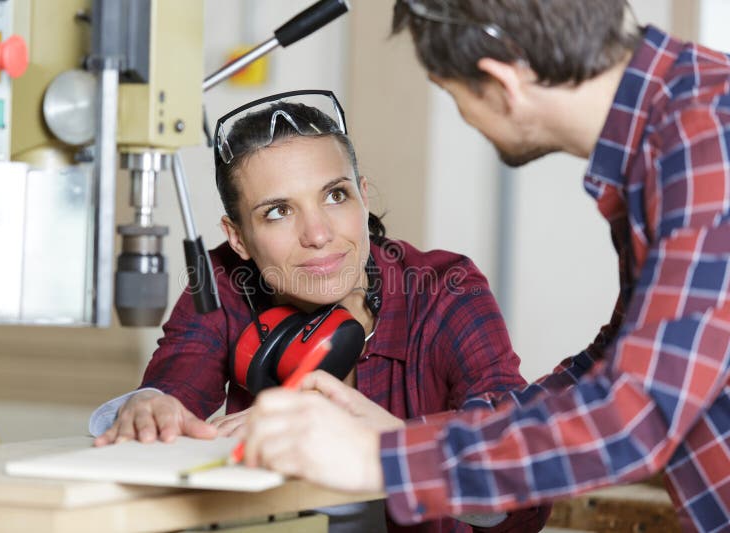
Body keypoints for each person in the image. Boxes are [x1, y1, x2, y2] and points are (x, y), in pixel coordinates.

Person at [240, 2, 730, 532]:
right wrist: (404, 440)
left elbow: (637, 413)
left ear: (502, 84)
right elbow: (612, 365)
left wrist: (382, 461)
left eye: (454, 95)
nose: (465, 117)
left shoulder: (707, 149)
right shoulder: (679, 126)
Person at [89, 90, 549, 533]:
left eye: (335, 195)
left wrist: (385, 441)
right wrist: (151, 406)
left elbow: (521, 486)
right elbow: (173, 387)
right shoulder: (223, 281)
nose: (318, 234)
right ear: (238, 238)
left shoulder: (445, 289)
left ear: (363, 198)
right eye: (278, 211)